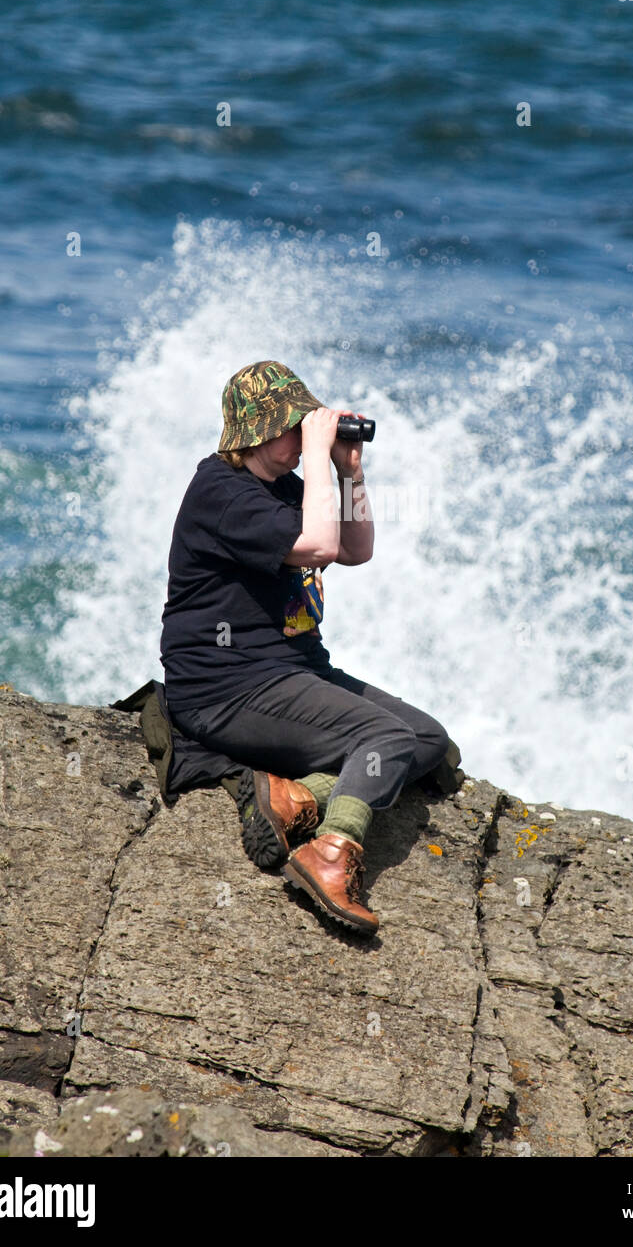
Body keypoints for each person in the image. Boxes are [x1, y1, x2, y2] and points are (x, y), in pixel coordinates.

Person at [159, 359, 450, 936]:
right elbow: (317, 544)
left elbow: (355, 548)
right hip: (226, 687)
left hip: (290, 670)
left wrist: (348, 472)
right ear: (259, 430)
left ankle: (300, 796)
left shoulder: (288, 485)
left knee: (427, 741)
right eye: (295, 425)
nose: (302, 435)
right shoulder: (220, 492)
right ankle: (330, 852)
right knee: (383, 738)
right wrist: (317, 458)